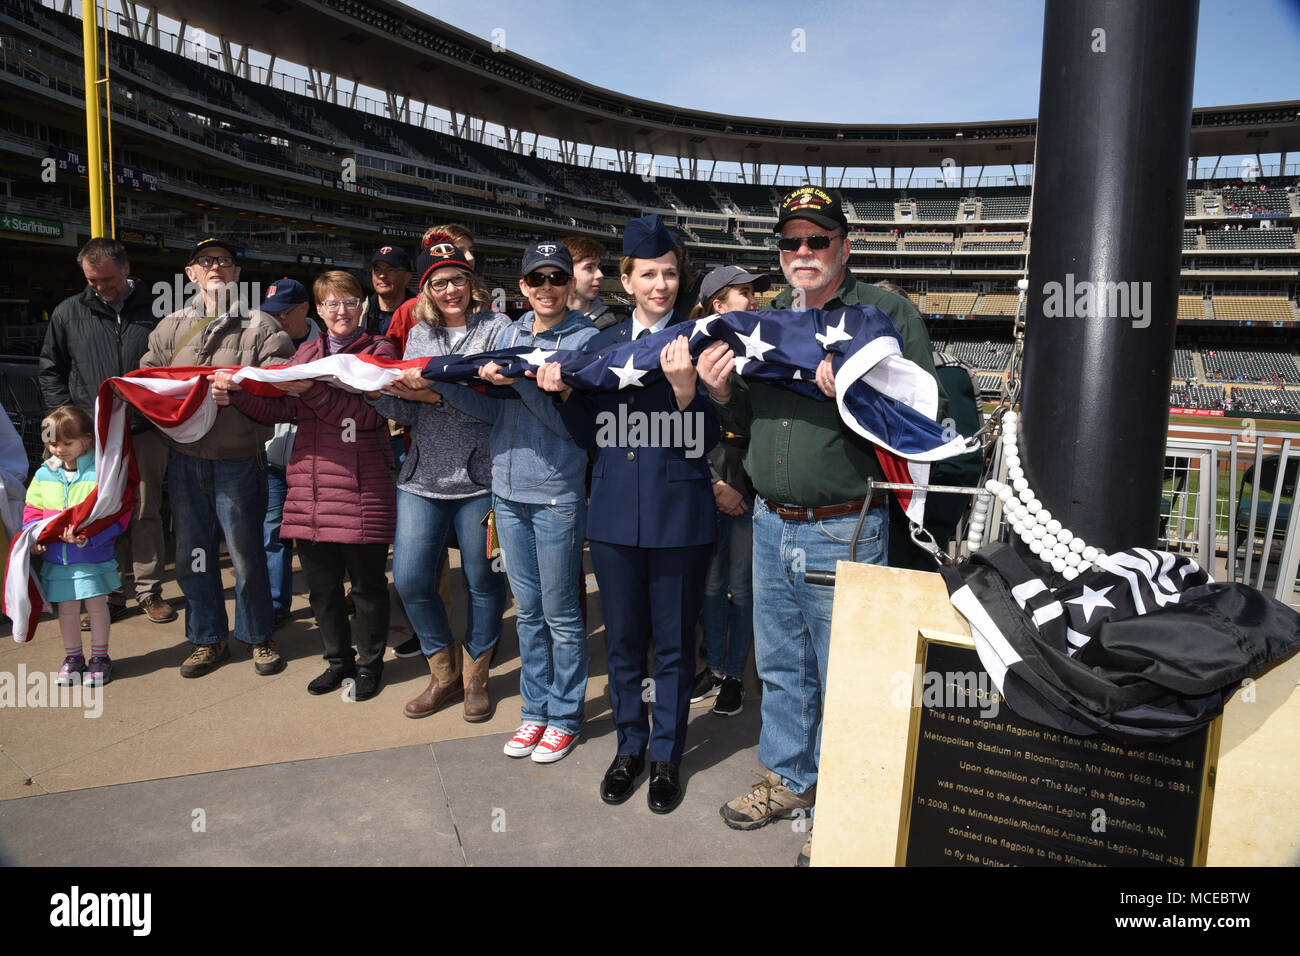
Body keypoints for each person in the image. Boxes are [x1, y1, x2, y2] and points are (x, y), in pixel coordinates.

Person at [697, 187, 944, 866]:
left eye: (817, 240)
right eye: (790, 242)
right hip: (771, 519)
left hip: (848, 523)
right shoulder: (768, 315)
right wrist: (721, 394)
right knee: (780, 666)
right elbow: (743, 421)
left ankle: (844, 803)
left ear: (845, 243)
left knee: (848, 675)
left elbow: (924, 416)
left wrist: (862, 386)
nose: (802, 253)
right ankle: (790, 779)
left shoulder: (885, 312)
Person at [388, 242, 598, 763]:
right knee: (527, 612)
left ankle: (565, 716)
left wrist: (523, 383)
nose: (546, 288)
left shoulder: (587, 338)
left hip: (554, 492)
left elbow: (574, 427)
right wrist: (431, 388)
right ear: (522, 286)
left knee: (562, 614)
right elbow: (486, 410)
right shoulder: (508, 332)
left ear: (570, 284)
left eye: (556, 278)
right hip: (504, 489)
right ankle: (535, 712)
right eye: (536, 279)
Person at [537, 215, 718, 813]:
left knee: (672, 646)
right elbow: (590, 434)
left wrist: (690, 394)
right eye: (648, 274)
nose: (660, 285)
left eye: (669, 273)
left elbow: (715, 435)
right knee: (621, 643)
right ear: (626, 278)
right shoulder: (601, 347)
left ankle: (666, 755)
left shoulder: (703, 340)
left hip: (679, 517)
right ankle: (629, 747)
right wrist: (564, 395)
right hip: (614, 515)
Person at [214, 272, 397, 701]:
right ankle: (338, 662)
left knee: (367, 588)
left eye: (349, 302)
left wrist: (309, 392)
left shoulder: (379, 350)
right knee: (322, 590)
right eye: (331, 304)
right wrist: (238, 393)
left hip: (360, 488)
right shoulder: (307, 353)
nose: (341, 311)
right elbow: (278, 408)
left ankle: (370, 665)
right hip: (309, 488)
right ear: (318, 311)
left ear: (363, 305)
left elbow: (367, 417)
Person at [139, 237, 295, 678]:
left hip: (240, 459)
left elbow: (281, 385)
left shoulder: (261, 325)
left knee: (247, 554)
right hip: (185, 459)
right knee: (192, 554)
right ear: (190, 274)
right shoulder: (169, 326)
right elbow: (150, 380)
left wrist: (243, 389)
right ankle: (207, 638)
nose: (216, 268)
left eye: (225, 261)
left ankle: (258, 636)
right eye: (206, 261)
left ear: (237, 274)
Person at [370, 241, 509, 721]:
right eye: (439, 281)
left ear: (473, 284)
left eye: (458, 279)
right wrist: (376, 393)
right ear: (426, 288)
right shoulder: (420, 334)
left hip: (482, 478)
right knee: (409, 578)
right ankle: (443, 670)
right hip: (423, 476)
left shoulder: (498, 328)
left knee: (483, 580)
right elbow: (407, 408)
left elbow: (502, 407)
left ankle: (476, 677)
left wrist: (437, 398)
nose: (450, 289)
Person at [38, 238, 174, 625]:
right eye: (92, 280)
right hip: (92, 434)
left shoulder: (157, 310)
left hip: (145, 428)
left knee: (147, 510)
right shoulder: (68, 312)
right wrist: (65, 422)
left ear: (126, 269)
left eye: (107, 279)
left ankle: (148, 591)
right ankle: (110, 593)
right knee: (100, 511)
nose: (100, 287)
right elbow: (51, 369)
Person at [687, 266, 770, 717]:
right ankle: (715, 668)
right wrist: (714, 482)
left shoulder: (762, 349)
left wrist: (738, 485)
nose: (754, 299)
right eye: (744, 293)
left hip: (748, 477)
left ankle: (736, 674)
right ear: (718, 304)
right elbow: (680, 428)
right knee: (712, 586)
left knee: (740, 587)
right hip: (706, 476)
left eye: (755, 292)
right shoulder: (694, 350)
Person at [24, 406, 129, 687]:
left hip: (92, 555)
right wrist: (33, 537)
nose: (59, 450)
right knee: (67, 610)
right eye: (52, 443)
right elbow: (32, 510)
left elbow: (119, 514)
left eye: (67, 443)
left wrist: (92, 538)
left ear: (86, 439)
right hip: (57, 560)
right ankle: (73, 659)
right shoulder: (45, 473)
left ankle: (100, 658)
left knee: (96, 606)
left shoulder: (101, 472)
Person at [256, 278, 319, 627]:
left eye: (285, 312)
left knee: (316, 534)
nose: (277, 319)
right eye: (271, 313)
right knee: (272, 532)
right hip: (273, 454)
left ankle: (328, 599)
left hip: (314, 458)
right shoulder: (261, 341)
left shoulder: (326, 344)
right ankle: (278, 605)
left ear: (305, 309)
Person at [385, 225, 477, 357]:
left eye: (471, 251)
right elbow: (392, 359)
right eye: (461, 251)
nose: (470, 257)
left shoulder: (489, 312)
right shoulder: (409, 310)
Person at [561, 235, 626, 330]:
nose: (600, 275)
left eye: (599, 267)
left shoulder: (619, 325)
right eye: (589, 267)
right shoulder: (536, 322)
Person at [360, 245, 413, 336]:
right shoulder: (360, 310)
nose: (382, 276)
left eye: (390, 270)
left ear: (407, 277)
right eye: (377, 270)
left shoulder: (421, 313)